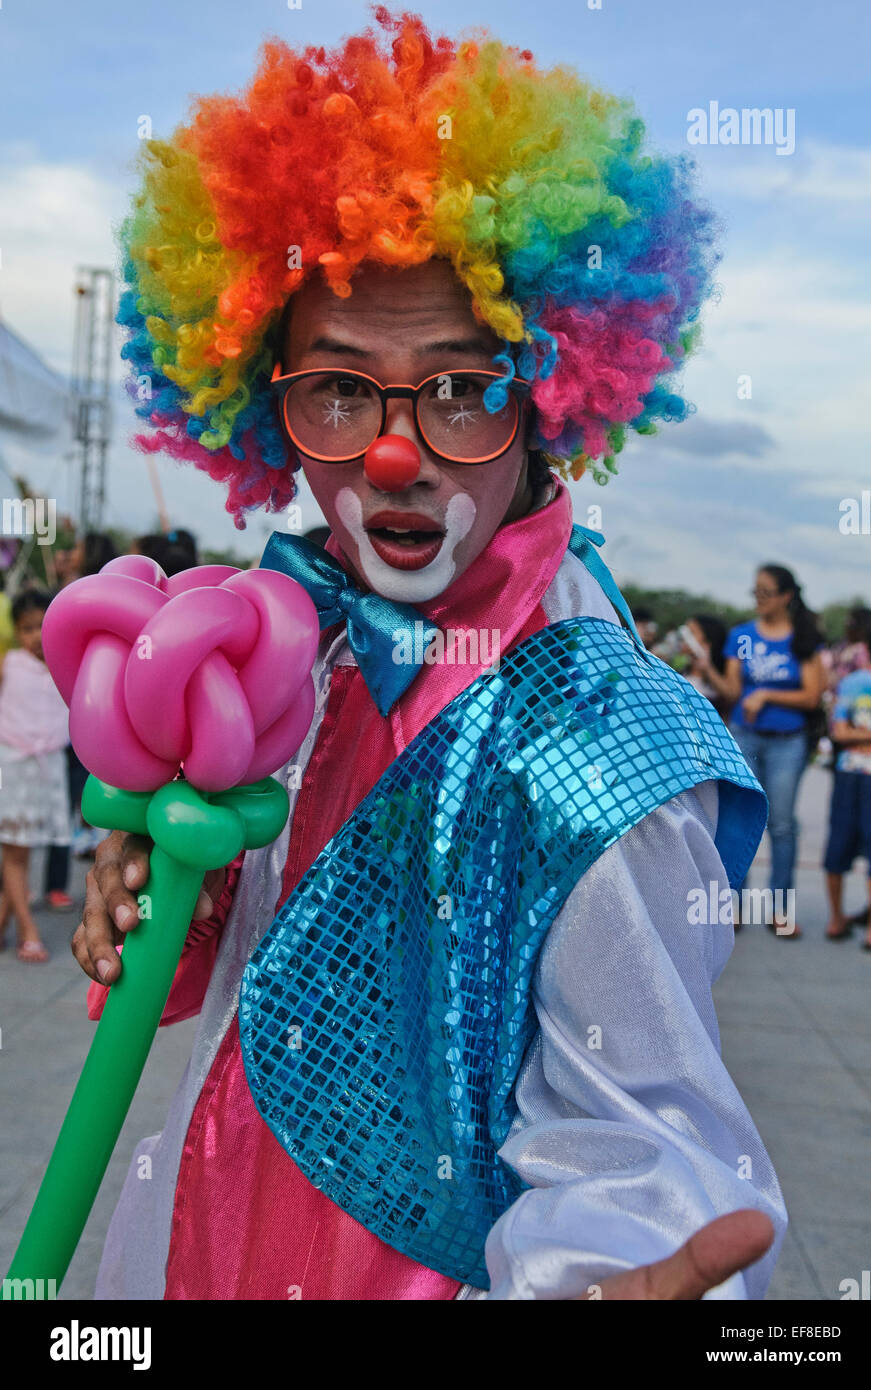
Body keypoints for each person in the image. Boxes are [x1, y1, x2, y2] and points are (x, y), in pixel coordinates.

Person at [72, 13, 784, 1300]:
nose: (393, 456)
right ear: (263, 398)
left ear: (554, 393)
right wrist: (184, 890)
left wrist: (605, 1273)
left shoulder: (591, 730)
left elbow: (641, 1136)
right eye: (340, 388)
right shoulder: (303, 644)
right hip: (210, 1235)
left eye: (461, 387)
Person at [696, 566, 824, 938]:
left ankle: (781, 909)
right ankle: (734, 904)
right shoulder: (742, 636)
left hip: (789, 741)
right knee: (740, 816)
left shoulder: (803, 639)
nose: (759, 599)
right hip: (745, 736)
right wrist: (708, 669)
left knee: (782, 824)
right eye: (755, 592)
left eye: (766, 592)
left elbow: (813, 695)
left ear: (786, 596)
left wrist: (767, 694)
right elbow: (733, 693)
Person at [0, 589, 70, 961]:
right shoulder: (8, 664)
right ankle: (29, 930)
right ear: (15, 631)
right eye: (26, 628)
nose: (34, 635)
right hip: (14, 770)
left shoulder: (62, 665)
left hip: (48, 772)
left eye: (42, 626)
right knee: (15, 853)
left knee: (24, 851)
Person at [823, 615, 871, 951]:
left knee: (839, 840)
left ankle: (836, 919)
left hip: (848, 770)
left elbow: (840, 731)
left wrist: (865, 734)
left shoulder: (851, 683)